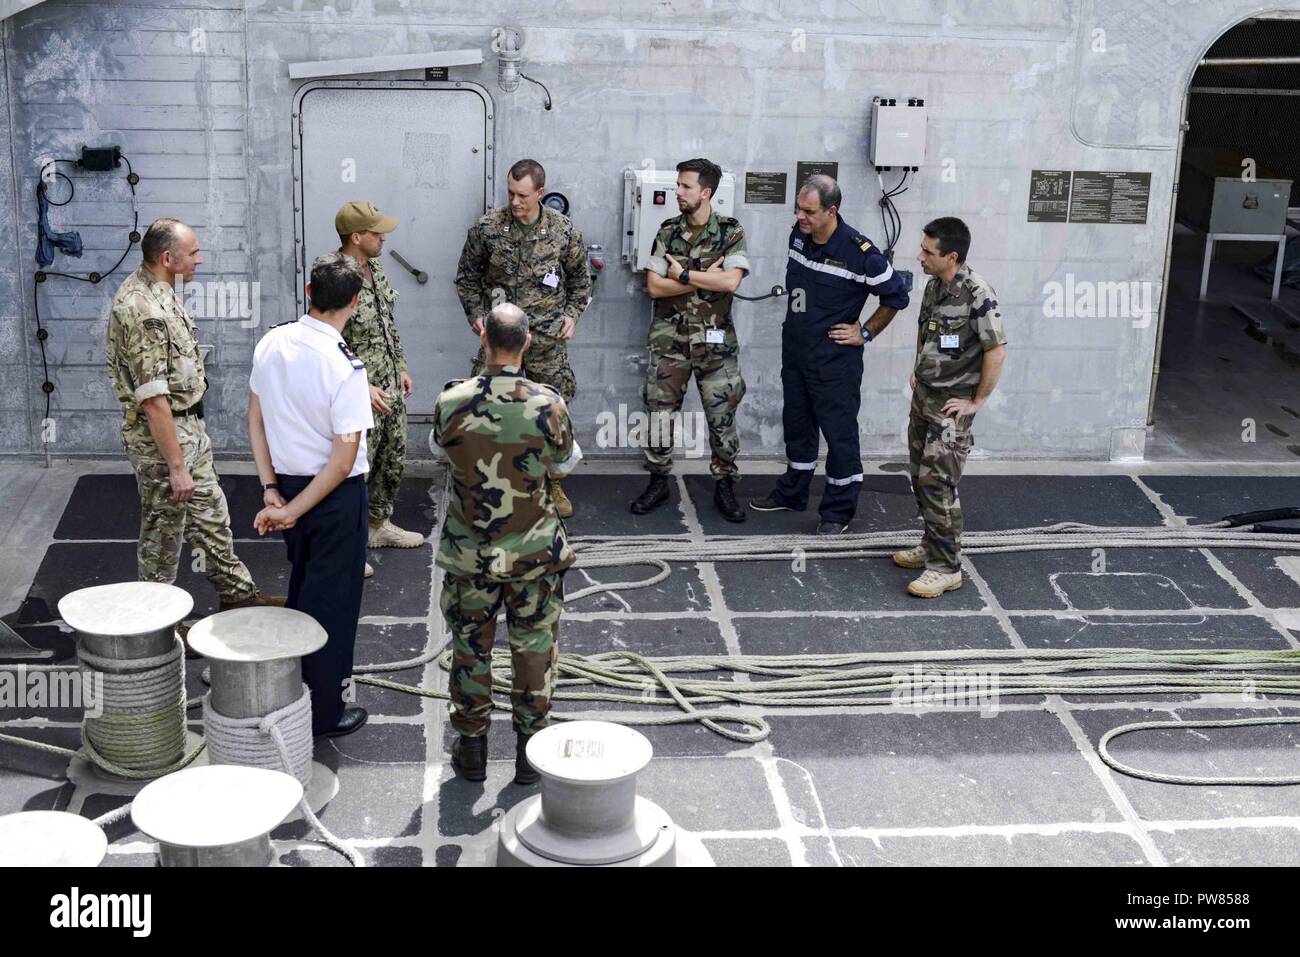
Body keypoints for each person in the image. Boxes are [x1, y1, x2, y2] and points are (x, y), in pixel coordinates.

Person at [106, 217, 283, 656]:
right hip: (163, 439)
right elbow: (153, 401)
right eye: (194, 252)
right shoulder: (142, 309)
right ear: (169, 259)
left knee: (211, 517)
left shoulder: (162, 291)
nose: (200, 258)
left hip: (186, 429)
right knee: (164, 532)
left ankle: (237, 594)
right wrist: (177, 466)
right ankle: (157, 626)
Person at [434, 303, 580, 787]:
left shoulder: (452, 400)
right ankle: (529, 753)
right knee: (534, 648)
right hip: (534, 555)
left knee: (471, 647)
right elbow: (565, 463)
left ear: (483, 340)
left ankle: (473, 749)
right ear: (528, 343)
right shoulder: (548, 405)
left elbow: (441, 452)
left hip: (469, 552)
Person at [248, 253, 374, 738]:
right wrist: (291, 509)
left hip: (288, 488)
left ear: (308, 292)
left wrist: (273, 492)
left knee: (302, 592)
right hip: (334, 498)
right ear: (356, 303)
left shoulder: (272, 341)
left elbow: (254, 421)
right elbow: (343, 460)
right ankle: (324, 713)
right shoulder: (346, 368)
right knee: (333, 605)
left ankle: (290, 688)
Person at [750, 176, 911, 533]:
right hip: (794, 352)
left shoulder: (860, 252)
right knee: (797, 425)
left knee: (839, 435)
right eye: (798, 209)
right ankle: (793, 491)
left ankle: (837, 511)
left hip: (833, 361)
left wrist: (865, 331)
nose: (799, 216)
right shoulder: (798, 235)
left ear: (831, 211)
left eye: (808, 211)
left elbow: (896, 296)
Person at [453, 159, 591, 518]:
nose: (514, 202)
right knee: (491, 411)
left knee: (551, 415)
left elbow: (580, 281)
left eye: (522, 195)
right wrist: (476, 316)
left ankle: (553, 482)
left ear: (540, 193)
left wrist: (572, 316)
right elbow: (466, 278)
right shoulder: (487, 230)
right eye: (511, 193)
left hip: (545, 340)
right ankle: (489, 485)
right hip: (499, 340)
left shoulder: (564, 232)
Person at [893, 218, 1007, 598]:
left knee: (938, 483)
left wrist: (977, 401)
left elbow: (996, 349)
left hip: (951, 409)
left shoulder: (978, 293)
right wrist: (917, 367)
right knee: (919, 477)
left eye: (928, 251)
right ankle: (932, 542)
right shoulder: (933, 287)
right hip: (924, 399)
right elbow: (926, 331)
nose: (920, 256)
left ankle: (946, 568)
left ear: (951, 256)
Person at [633, 158, 749, 522]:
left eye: (685, 186)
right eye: (677, 185)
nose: (677, 192)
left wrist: (682, 273)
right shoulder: (667, 231)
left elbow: (731, 282)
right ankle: (658, 479)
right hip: (669, 343)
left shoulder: (730, 231)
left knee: (721, 417)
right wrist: (703, 276)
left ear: (706, 192)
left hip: (716, 346)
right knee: (659, 414)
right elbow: (654, 287)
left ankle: (725, 484)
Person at [336, 200, 425, 556]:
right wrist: (360, 386)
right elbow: (329, 340)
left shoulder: (375, 267)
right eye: (377, 232)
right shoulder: (336, 277)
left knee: (391, 457)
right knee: (354, 471)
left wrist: (400, 365)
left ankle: (377, 525)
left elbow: (388, 324)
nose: (384, 237)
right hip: (358, 390)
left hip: (388, 385)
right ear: (356, 236)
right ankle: (345, 549)